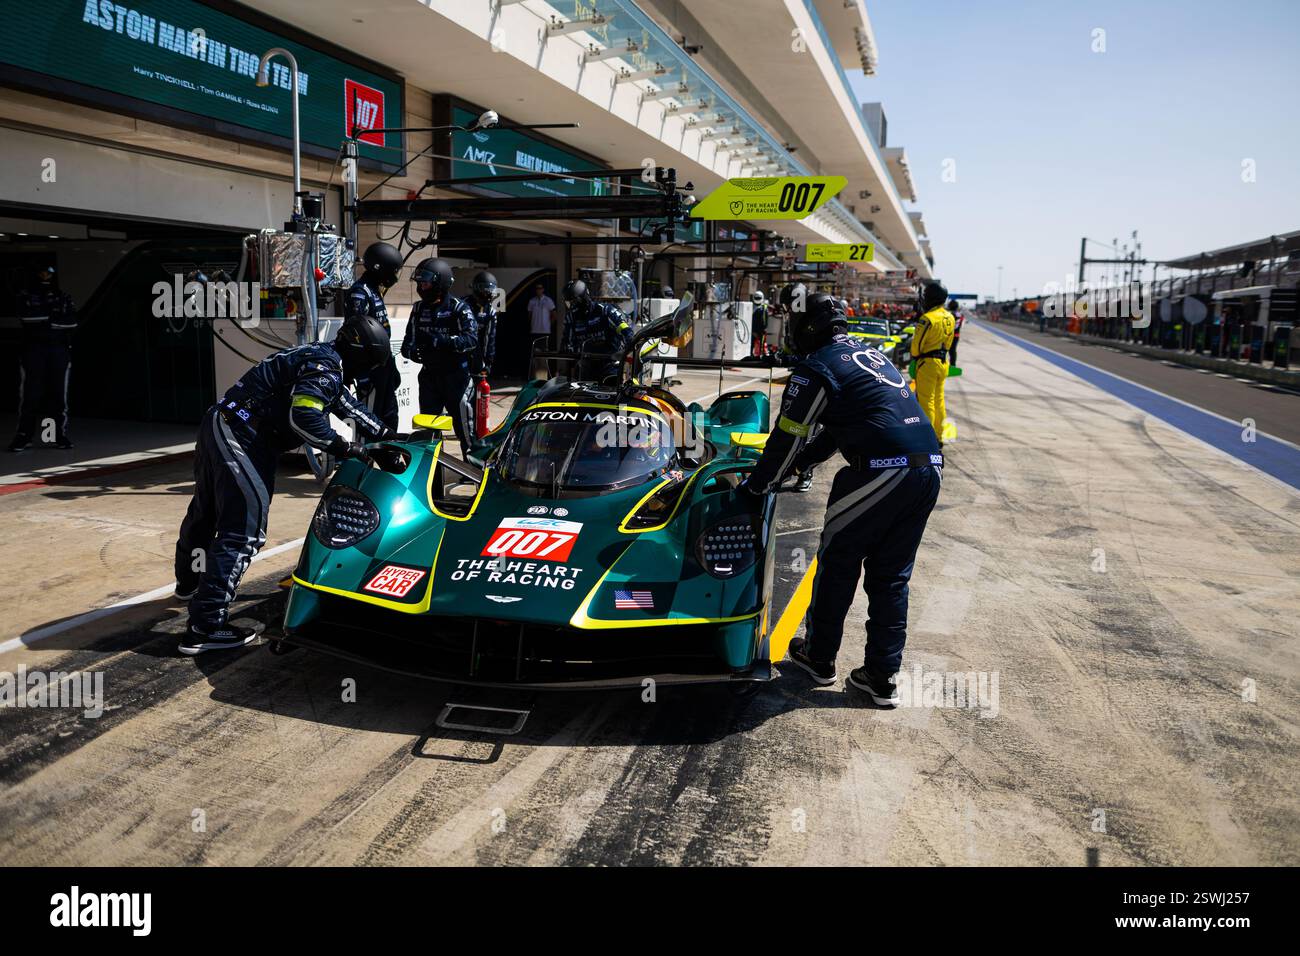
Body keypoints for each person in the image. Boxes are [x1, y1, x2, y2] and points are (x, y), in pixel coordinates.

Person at [742, 293, 942, 706]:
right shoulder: (869, 355)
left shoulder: (815, 368)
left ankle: (818, 657)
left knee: (837, 562)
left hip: (882, 468)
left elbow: (787, 434)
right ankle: (881, 676)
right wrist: (806, 462)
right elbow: (838, 428)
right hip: (930, 466)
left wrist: (758, 485)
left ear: (806, 326)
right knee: (891, 576)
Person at [173, 316, 394, 654]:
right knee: (243, 531)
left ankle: (189, 582)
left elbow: (346, 404)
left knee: (207, 511)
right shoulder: (326, 368)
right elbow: (304, 417)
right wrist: (344, 447)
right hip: (243, 435)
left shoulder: (322, 357)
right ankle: (205, 626)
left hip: (221, 422)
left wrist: (387, 438)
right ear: (363, 355)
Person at [400, 258, 479, 447]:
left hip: (456, 378)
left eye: (425, 282)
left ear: (439, 283)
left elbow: (471, 340)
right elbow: (406, 344)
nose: (421, 286)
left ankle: (473, 472)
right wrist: (412, 353)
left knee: (465, 430)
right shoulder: (418, 309)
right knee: (429, 431)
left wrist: (440, 341)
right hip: (429, 378)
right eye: (419, 282)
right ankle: (433, 475)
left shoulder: (459, 308)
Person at [9, 265, 77, 452]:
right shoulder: (25, 296)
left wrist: (46, 322)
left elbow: (71, 321)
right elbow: (27, 317)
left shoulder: (62, 296)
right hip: (33, 351)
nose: (46, 277)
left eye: (49, 274)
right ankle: (24, 436)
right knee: (30, 396)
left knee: (58, 396)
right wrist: (53, 319)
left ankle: (58, 436)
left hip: (58, 351)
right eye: (43, 274)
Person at [345, 241, 403, 431]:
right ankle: (364, 459)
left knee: (390, 416)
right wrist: (360, 374)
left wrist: (391, 367)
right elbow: (354, 333)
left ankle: (390, 456)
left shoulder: (374, 290)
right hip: (369, 369)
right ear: (380, 268)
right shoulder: (360, 292)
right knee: (369, 421)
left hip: (384, 365)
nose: (394, 276)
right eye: (392, 271)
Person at [560, 278, 632, 382]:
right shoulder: (570, 318)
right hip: (586, 366)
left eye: (573, 302)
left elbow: (625, 330)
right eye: (568, 303)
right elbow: (566, 345)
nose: (571, 307)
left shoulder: (605, 311)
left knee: (610, 387)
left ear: (583, 298)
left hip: (610, 364)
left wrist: (629, 345)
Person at [910, 282, 956, 444]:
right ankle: (940, 435)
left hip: (927, 363)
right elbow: (949, 343)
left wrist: (914, 357)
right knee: (939, 401)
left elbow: (917, 346)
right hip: (943, 362)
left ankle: (926, 438)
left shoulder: (927, 318)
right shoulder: (950, 317)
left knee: (926, 401)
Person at [468, 271, 500, 378]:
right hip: (458, 354)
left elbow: (489, 338)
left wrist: (488, 362)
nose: (488, 295)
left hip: (476, 355)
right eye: (485, 292)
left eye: (490, 292)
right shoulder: (462, 305)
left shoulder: (490, 311)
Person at [527, 281, 556, 377]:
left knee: (545, 354)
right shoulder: (532, 301)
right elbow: (529, 315)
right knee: (535, 355)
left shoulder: (548, 301)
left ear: (543, 290)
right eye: (537, 288)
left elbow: (554, 315)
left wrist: (548, 325)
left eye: (540, 288)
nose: (538, 290)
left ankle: (545, 376)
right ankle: (535, 376)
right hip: (535, 331)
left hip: (545, 331)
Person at [947, 298, 965, 365]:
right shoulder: (960, 315)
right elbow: (962, 325)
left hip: (947, 335)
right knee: (953, 351)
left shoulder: (948, 314)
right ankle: (953, 365)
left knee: (945, 350)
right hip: (956, 335)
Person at [750, 290, 768, 357]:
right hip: (753, 331)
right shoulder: (751, 307)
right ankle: (751, 355)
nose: (757, 299)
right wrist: (753, 331)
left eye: (759, 297)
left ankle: (761, 356)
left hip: (761, 331)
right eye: (756, 297)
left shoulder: (764, 307)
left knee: (762, 345)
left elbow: (765, 321)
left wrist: (762, 330)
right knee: (751, 345)